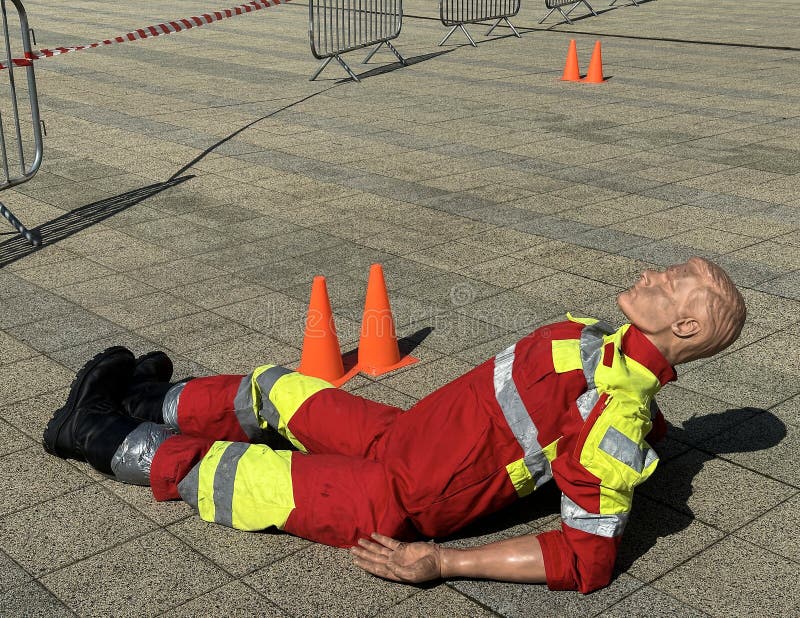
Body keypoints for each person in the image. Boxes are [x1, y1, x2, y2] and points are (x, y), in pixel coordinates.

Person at [42, 257, 745, 594]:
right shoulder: (606, 347)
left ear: (684, 324)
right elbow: (635, 427)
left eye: (673, 280)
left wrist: (441, 561)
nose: (656, 272)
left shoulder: (613, 415)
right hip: (401, 436)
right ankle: (146, 399)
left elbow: (588, 560)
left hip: (402, 495)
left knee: (245, 476)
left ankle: (96, 434)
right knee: (283, 389)